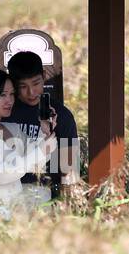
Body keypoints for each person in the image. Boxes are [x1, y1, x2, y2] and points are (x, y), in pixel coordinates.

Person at [0, 67, 57, 218]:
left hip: (15, 212)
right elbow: (1, 174)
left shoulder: (13, 129)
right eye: (2, 95)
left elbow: (37, 161)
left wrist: (44, 131)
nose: (9, 100)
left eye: (12, 94)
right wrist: (40, 151)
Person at [4, 50, 79, 205]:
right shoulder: (4, 112)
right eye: (23, 86)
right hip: (5, 189)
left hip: (43, 192)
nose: (31, 92)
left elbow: (69, 167)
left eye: (36, 83)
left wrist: (67, 205)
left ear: (44, 76)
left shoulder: (61, 115)